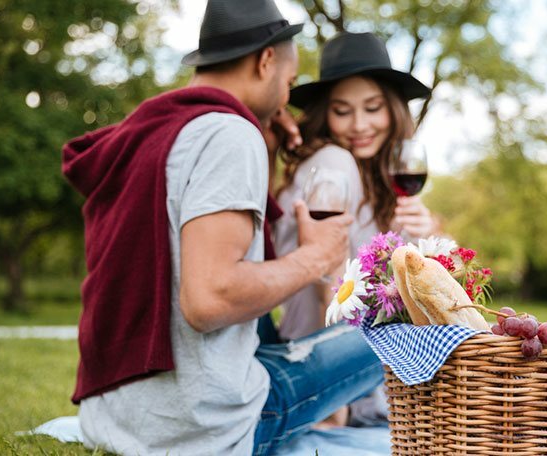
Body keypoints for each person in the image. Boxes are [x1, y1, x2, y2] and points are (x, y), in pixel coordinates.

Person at [61, 2, 383, 455]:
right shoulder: (230, 134)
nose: (287, 99)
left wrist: (265, 132)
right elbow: (212, 297)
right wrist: (315, 258)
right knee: (403, 327)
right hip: (210, 427)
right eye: (289, 84)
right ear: (266, 60)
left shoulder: (152, 133)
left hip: (114, 417)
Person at [273, 32, 437, 342]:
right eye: (343, 111)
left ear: (393, 109)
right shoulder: (333, 163)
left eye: (373, 108)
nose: (360, 125)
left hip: (358, 349)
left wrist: (424, 232)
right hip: (327, 355)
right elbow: (331, 290)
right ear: (325, 113)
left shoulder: (375, 179)